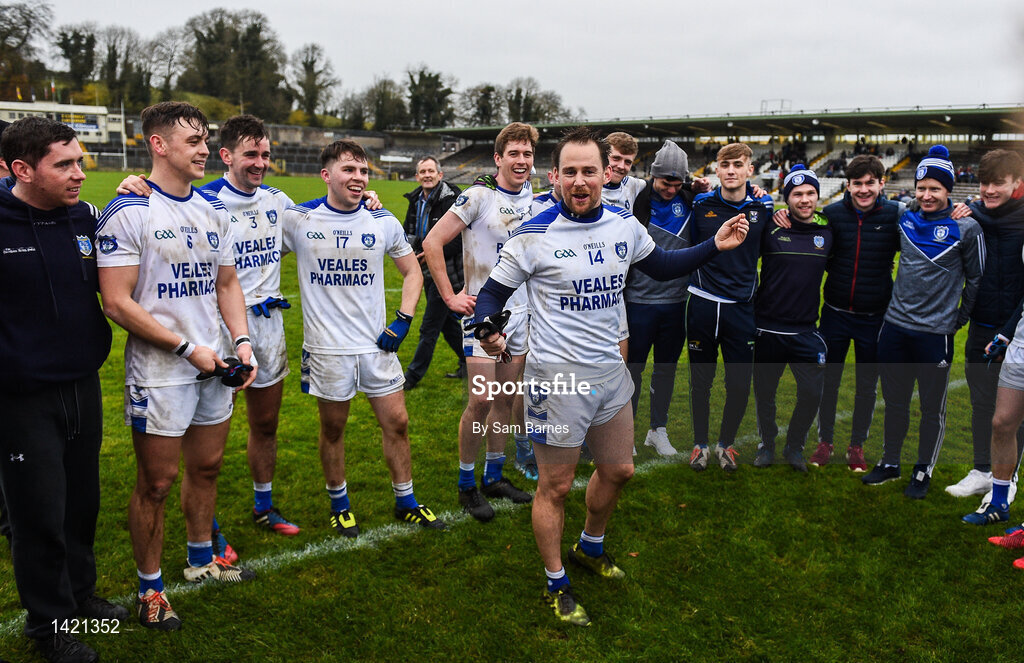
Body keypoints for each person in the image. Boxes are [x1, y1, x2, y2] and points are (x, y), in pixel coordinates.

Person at [472, 126, 748, 626]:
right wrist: (489, 329)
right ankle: (557, 581)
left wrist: (716, 246)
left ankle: (589, 547)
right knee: (554, 487)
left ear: (607, 175)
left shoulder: (624, 225)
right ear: (556, 177)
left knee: (619, 470)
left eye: (590, 171)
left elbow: (663, 265)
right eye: (571, 172)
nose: (581, 181)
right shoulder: (532, 236)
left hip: (610, 374)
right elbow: (491, 295)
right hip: (557, 381)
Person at [97, 101, 258, 632]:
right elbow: (117, 302)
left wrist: (242, 342)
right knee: (157, 482)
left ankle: (200, 561)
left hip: (215, 363)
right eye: (193, 141)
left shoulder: (215, 213)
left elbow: (227, 283)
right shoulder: (128, 212)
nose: (205, 150)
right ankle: (150, 589)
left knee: (207, 468)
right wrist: (186, 348)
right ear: (158, 145)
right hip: (162, 369)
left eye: (206, 140)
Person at [0, 116, 126, 663]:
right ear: (22, 169)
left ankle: (81, 596)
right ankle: (47, 626)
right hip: (20, 397)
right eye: (65, 164)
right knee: (38, 514)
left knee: (82, 503)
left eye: (80, 161)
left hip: (82, 384)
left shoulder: (83, 217)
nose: (80, 173)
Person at [282, 139, 447, 536]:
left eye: (363, 171)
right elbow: (244, 237)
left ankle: (406, 500)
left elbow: (412, 272)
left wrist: (404, 319)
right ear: (326, 175)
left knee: (398, 423)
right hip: (327, 350)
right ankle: (340, 503)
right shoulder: (298, 220)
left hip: (377, 346)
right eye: (348, 170)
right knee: (334, 429)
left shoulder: (382, 221)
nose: (358, 178)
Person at [421, 123, 536, 522]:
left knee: (506, 398)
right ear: (498, 157)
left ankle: (494, 476)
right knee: (481, 401)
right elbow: (432, 242)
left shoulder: (532, 198)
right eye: (514, 154)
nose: (521, 161)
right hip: (485, 316)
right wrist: (451, 296)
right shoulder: (478, 196)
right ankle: (466, 484)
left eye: (527, 154)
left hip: (522, 315)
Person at [861, 146, 984, 499]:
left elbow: (976, 280)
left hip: (935, 335)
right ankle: (889, 462)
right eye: (922, 188)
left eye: (935, 189)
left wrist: (957, 319)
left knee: (932, 408)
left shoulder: (967, 227)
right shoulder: (905, 217)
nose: (927, 195)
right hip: (895, 329)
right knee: (895, 401)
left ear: (949, 191)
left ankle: (922, 469)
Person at [774, 155, 902, 471]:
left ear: (881, 184)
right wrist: (778, 214)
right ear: (848, 185)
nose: (863, 189)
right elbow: (803, 229)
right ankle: (825, 441)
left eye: (870, 183)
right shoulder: (831, 215)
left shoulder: (895, 215)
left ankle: (856, 445)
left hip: (874, 318)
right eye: (857, 183)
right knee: (828, 381)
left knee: (866, 385)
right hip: (834, 314)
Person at [686, 143, 775, 472]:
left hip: (741, 308)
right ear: (717, 170)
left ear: (750, 170)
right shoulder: (700, 205)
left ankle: (726, 444)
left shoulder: (763, 208)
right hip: (703, 304)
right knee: (701, 380)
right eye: (725, 165)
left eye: (738, 164)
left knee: (738, 383)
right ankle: (700, 444)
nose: (732, 170)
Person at [945, 150, 1024, 509]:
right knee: (980, 402)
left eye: (998, 183)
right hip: (981, 325)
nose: (989, 190)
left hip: (1017, 331)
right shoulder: (974, 212)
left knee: (1011, 414)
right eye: (984, 183)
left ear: (1017, 183)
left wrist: (1010, 331)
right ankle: (981, 471)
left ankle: (1008, 477)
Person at [751, 165, 833, 471]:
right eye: (797, 194)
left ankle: (795, 446)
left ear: (817, 196)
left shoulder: (827, 231)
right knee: (765, 394)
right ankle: (767, 445)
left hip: (805, 331)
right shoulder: (771, 229)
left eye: (810, 193)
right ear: (788, 198)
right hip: (767, 327)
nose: (804, 199)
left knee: (812, 393)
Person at [624, 140, 696, 456]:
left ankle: (658, 430)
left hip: (676, 304)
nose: (671, 188)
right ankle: (626, 432)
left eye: (677, 182)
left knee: (665, 369)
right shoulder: (636, 202)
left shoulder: (693, 202)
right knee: (632, 371)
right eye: (666, 181)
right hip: (638, 303)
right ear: (655, 176)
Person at [402, 156, 466, 389]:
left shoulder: (451, 199)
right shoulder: (415, 199)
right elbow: (406, 233)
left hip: (447, 275)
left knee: (429, 326)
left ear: (440, 175)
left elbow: (458, 241)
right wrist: (410, 252)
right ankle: (467, 362)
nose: (427, 175)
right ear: (417, 176)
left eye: (431, 171)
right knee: (447, 324)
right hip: (426, 272)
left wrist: (428, 252)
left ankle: (412, 376)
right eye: (423, 171)